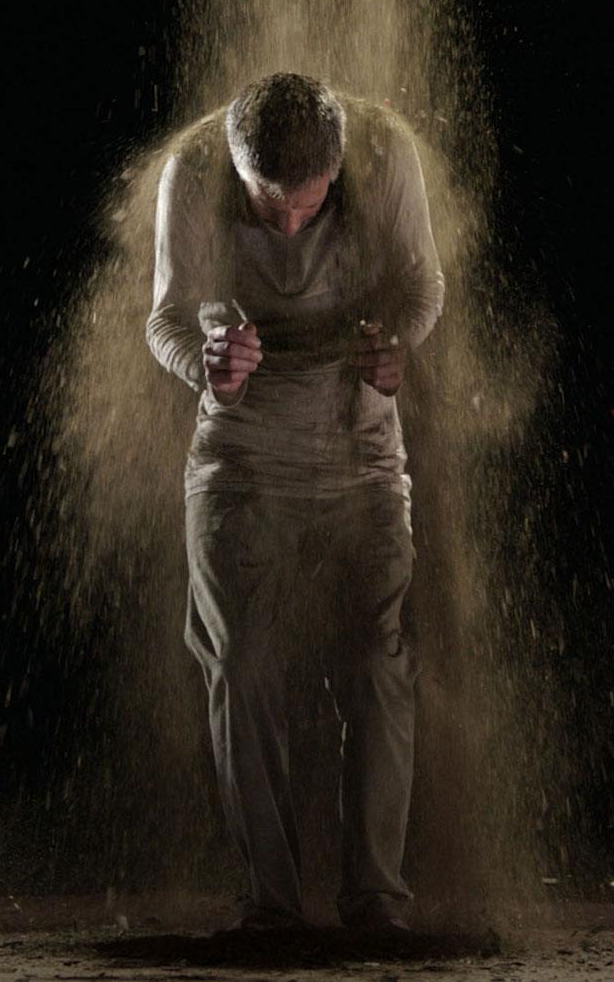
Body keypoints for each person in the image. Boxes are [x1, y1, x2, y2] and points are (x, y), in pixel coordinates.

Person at [146, 72, 444, 933]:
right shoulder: (190, 168)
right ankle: (270, 903)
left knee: (380, 662)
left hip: (360, 448)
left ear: (341, 165)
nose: (288, 227)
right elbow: (165, 318)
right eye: (268, 207)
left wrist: (397, 351)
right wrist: (206, 365)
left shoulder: (388, 151)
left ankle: (378, 900)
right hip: (240, 453)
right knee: (239, 664)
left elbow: (424, 288)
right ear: (236, 167)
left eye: (308, 208)